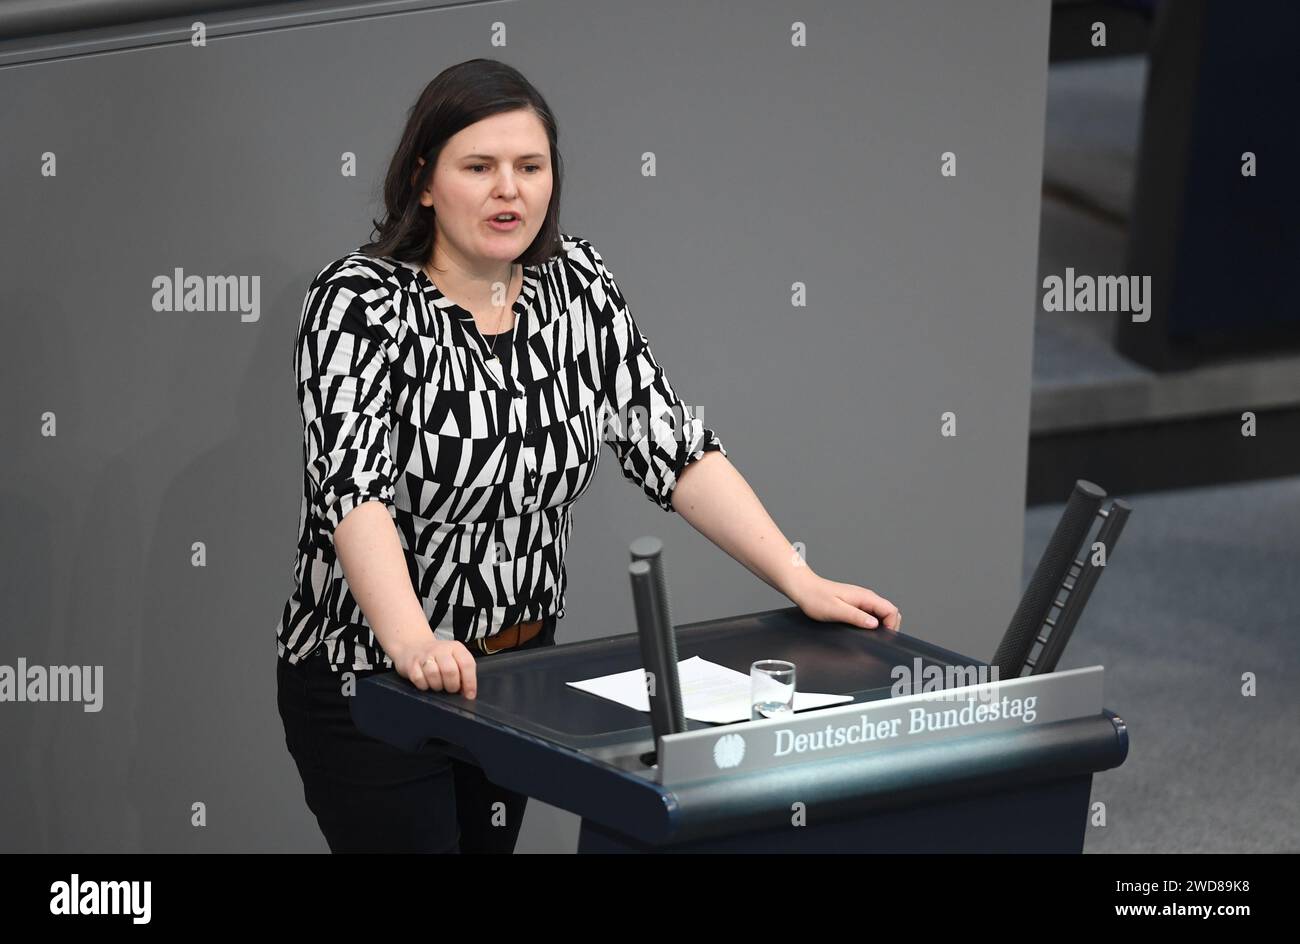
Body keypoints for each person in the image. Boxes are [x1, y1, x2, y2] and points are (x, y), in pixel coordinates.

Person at [274, 58, 901, 854]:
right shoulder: (357, 303)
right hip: (372, 677)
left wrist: (799, 577)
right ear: (424, 182)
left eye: (529, 168)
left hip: (512, 677)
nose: (510, 190)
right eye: (480, 167)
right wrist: (413, 642)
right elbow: (351, 494)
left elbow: (673, 448)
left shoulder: (577, 283)